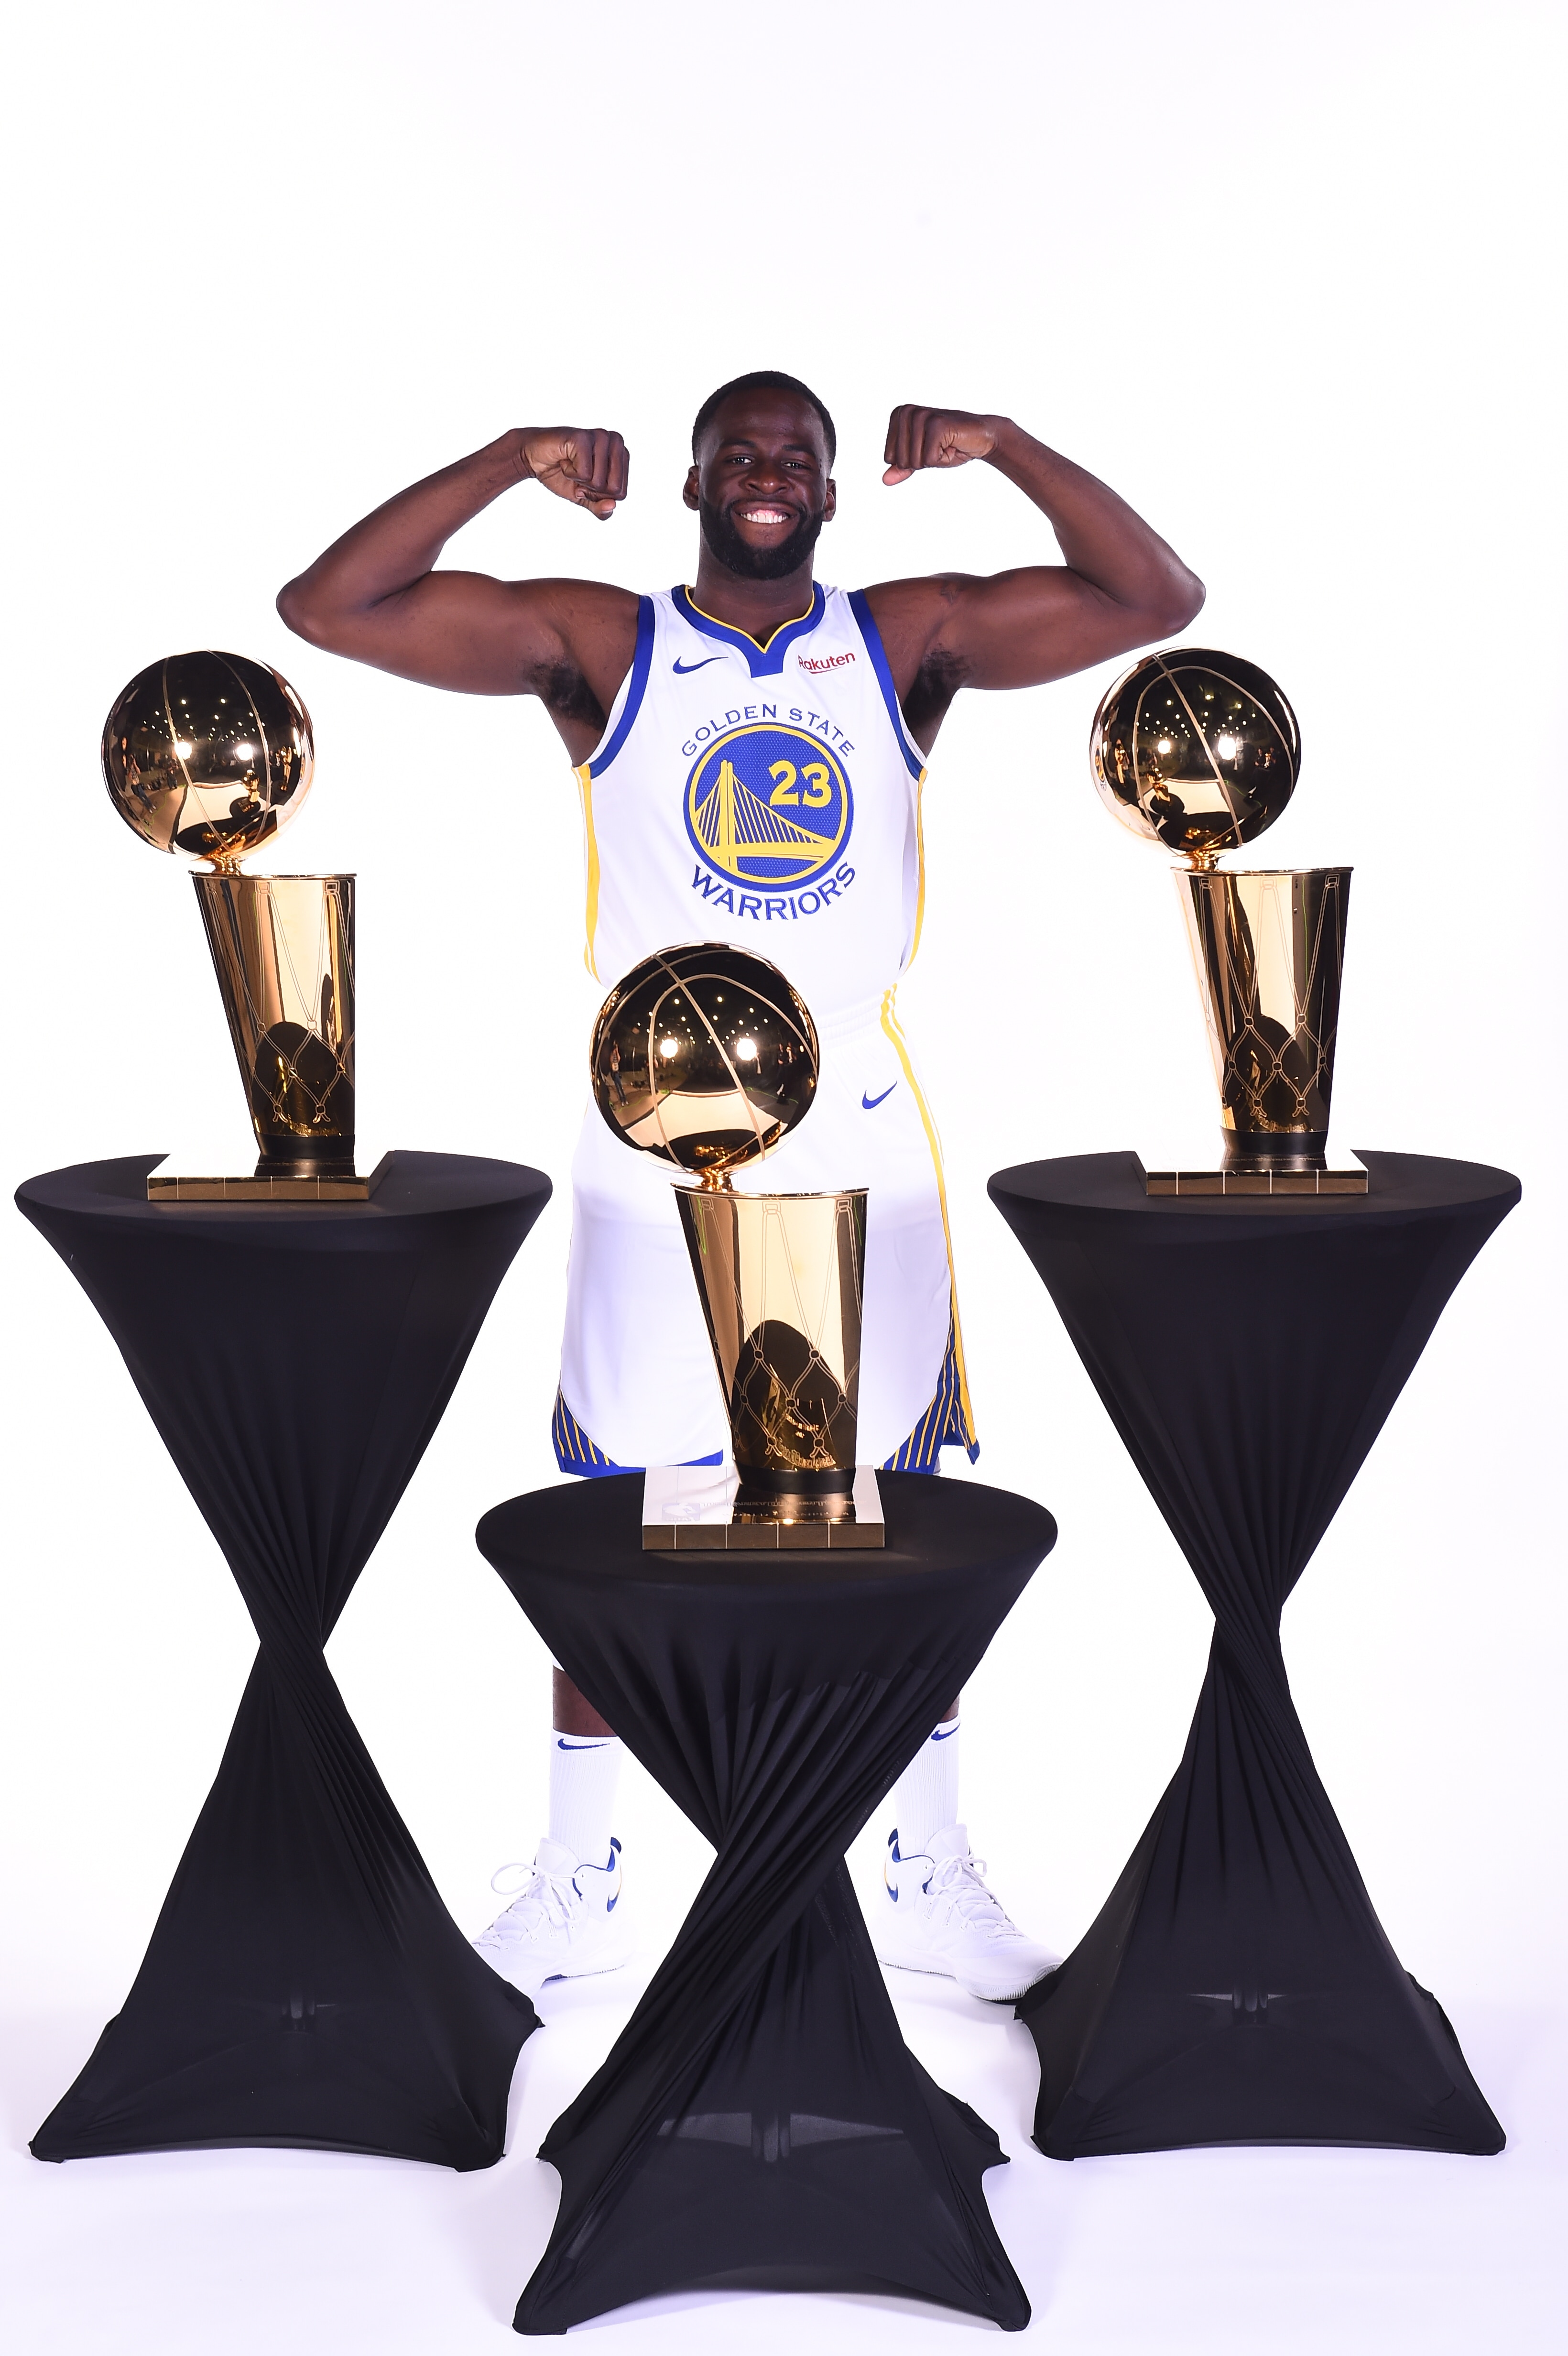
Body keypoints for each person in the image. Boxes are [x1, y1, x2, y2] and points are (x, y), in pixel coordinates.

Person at [277, 375, 1203, 2002]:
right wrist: (508, 457)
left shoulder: (900, 639)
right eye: (740, 455)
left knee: (884, 1506)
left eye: (796, 458)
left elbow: (1156, 600)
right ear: (694, 482)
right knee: (631, 1507)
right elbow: (329, 609)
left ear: (831, 495)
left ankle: (918, 1870)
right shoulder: (609, 642)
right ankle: (588, 1875)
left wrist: (1006, 449)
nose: (768, 474)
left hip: (851, 1121)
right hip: (657, 1113)